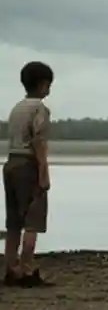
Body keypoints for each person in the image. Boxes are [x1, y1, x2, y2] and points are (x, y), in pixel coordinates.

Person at [4, 60, 54, 288]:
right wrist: (44, 173)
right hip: (28, 164)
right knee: (33, 220)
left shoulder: (16, 108)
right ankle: (26, 268)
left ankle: (10, 268)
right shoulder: (40, 109)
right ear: (43, 84)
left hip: (11, 162)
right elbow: (38, 141)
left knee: (14, 222)